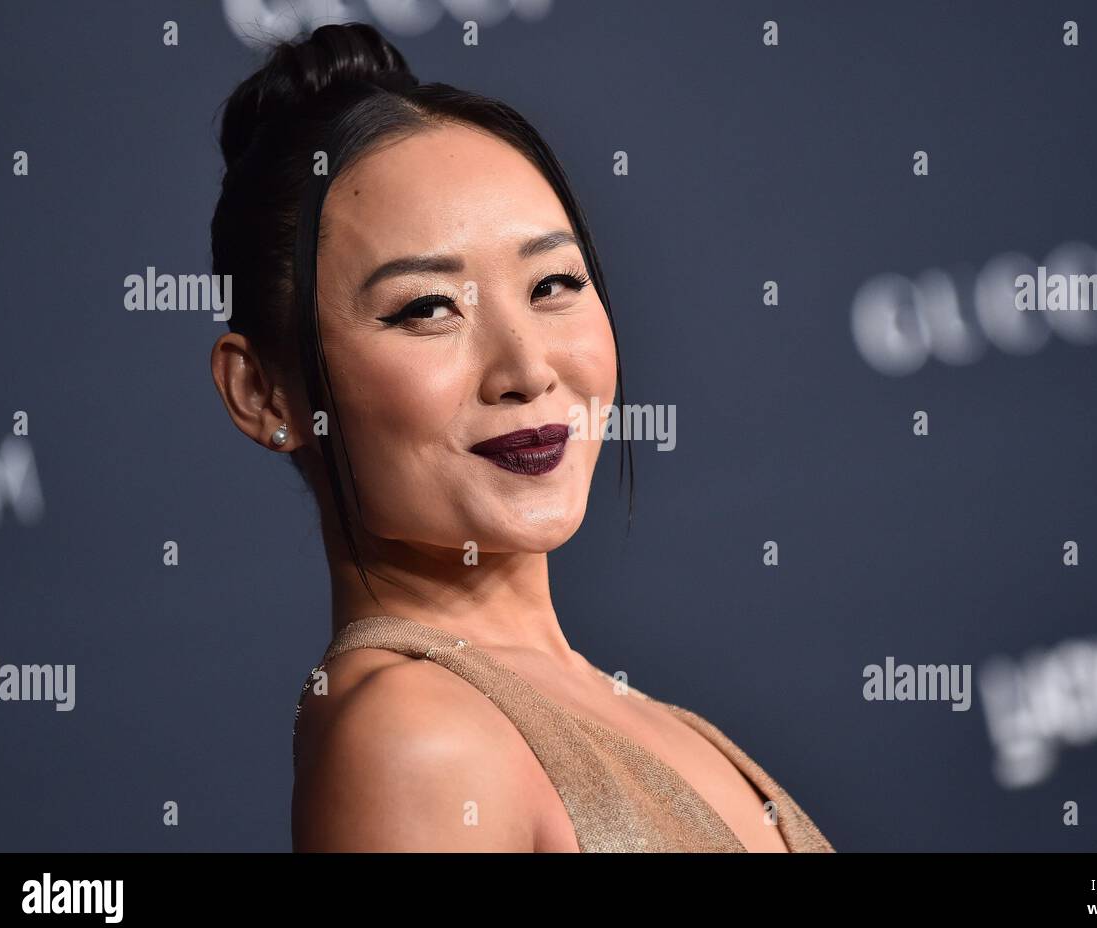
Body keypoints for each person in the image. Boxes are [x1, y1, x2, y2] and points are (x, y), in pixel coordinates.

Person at [209, 22, 833, 852]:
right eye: (428, 308)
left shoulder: (638, 716)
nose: (526, 368)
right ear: (262, 393)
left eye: (554, 283)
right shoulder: (415, 737)